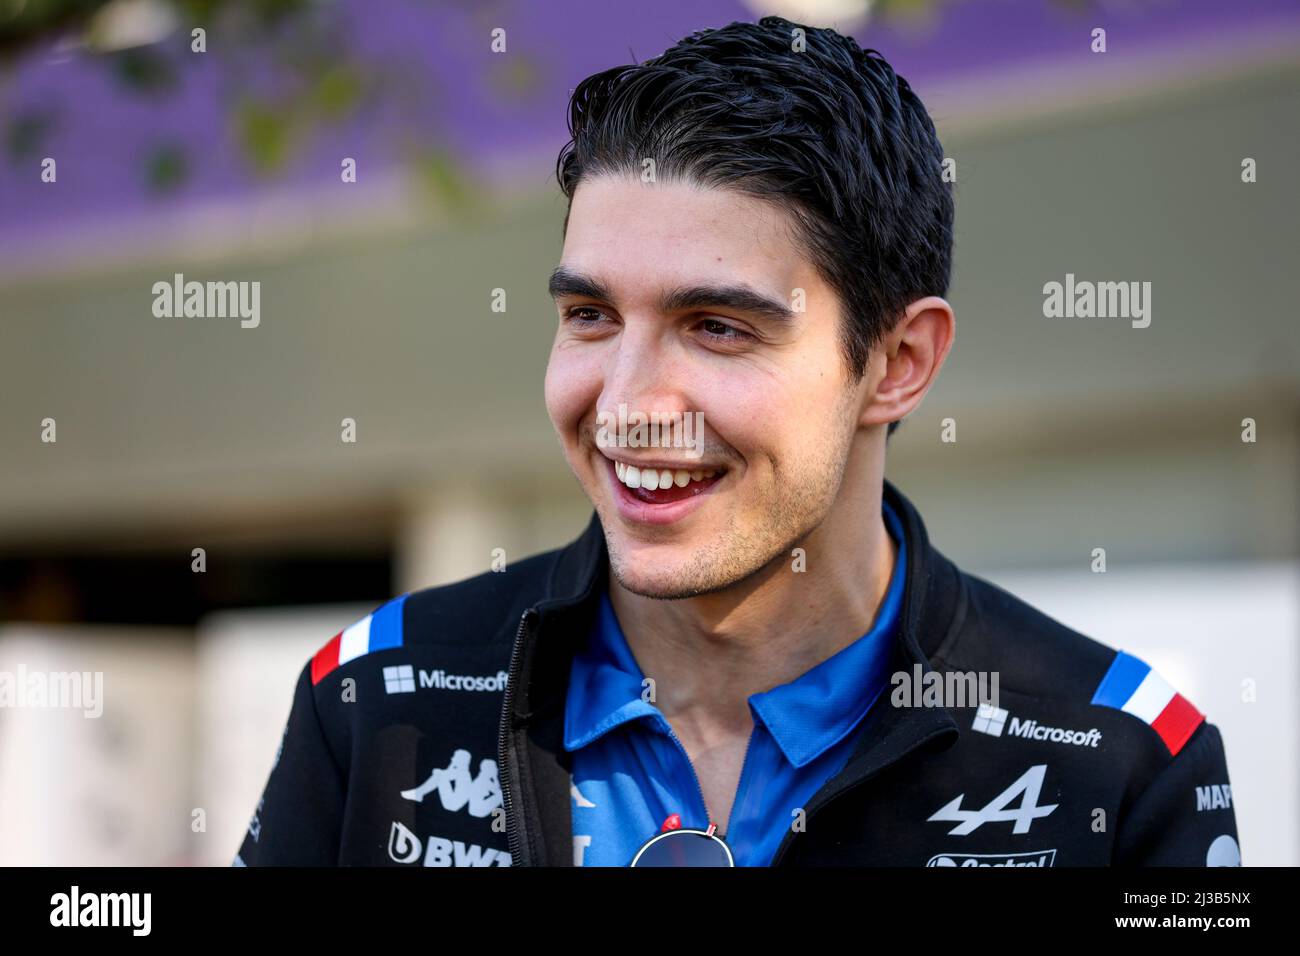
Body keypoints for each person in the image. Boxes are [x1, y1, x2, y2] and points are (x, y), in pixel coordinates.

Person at [235, 16, 1238, 867]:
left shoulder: (1119, 757)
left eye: (717, 325)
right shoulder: (376, 698)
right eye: (590, 315)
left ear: (896, 362)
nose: (627, 402)